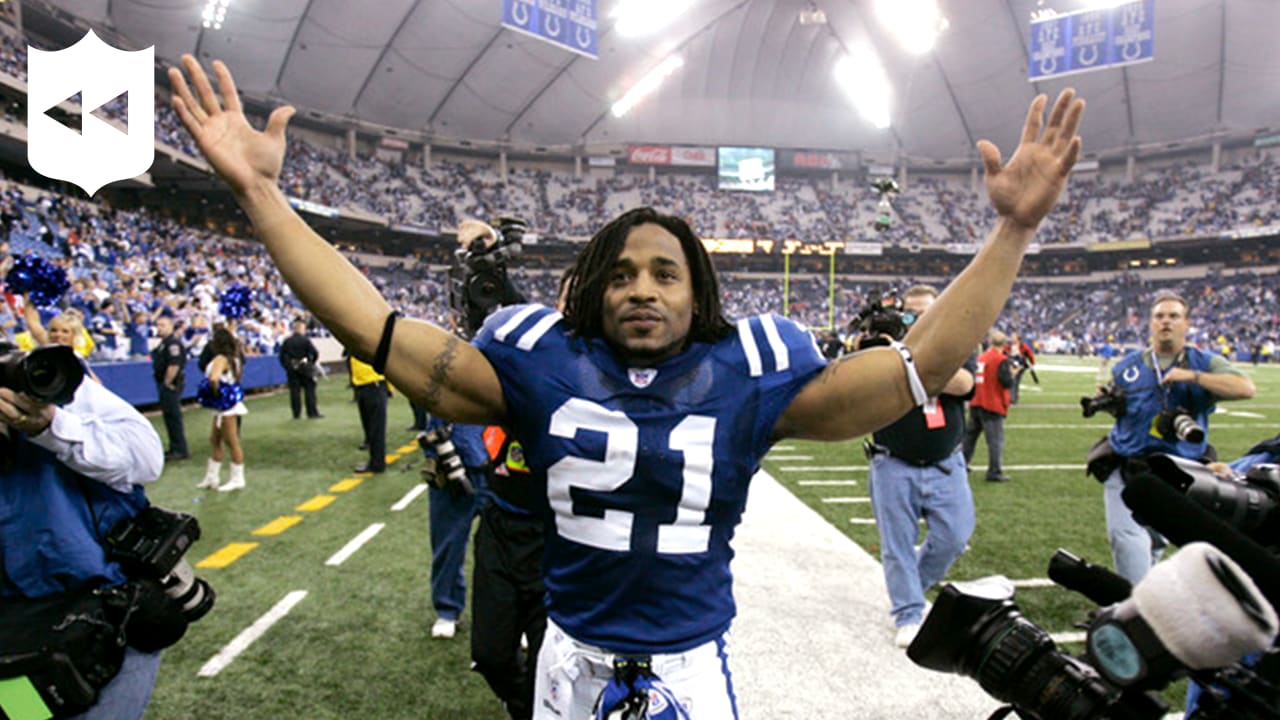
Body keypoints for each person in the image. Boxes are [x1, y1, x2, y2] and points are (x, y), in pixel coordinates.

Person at [170, 56, 1085, 718]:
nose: (642, 287)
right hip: (566, 658)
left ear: (699, 292)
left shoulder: (751, 371)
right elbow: (374, 327)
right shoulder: (535, 359)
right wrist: (261, 195)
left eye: (665, 272)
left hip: (687, 667)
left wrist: (1011, 232)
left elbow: (918, 366)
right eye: (621, 273)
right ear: (595, 289)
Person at [0, 340, 166, 720]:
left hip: (102, 615)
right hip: (12, 634)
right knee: (28, 714)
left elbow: (146, 457)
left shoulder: (47, 378)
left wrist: (50, 425)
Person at [1089, 291, 1255, 584]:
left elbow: (1245, 388)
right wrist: (1108, 402)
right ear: (1150, 323)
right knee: (1126, 537)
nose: (1166, 322)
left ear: (1186, 323)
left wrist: (1192, 377)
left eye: (1173, 316)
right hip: (1128, 464)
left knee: (1154, 540)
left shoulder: (1204, 362)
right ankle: (1137, 610)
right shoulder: (1126, 366)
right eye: (1159, 316)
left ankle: (1142, 598)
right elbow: (1125, 413)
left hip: (1177, 470)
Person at [861, 284, 976, 648]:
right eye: (912, 314)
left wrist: (915, 358)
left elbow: (964, 384)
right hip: (893, 460)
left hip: (946, 462)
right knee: (897, 544)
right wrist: (888, 349)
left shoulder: (958, 341)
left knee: (954, 537)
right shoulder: (884, 349)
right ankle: (909, 611)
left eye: (929, 313)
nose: (921, 321)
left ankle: (910, 587)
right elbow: (861, 381)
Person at [420, 418, 486, 639]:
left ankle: (521, 613)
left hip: (498, 458)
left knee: (512, 546)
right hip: (450, 457)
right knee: (448, 544)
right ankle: (447, 609)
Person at [197, 325, 248, 491]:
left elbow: (214, 378)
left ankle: (237, 478)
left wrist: (214, 393)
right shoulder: (235, 358)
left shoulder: (221, 359)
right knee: (215, 439)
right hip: (226, 405)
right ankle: (212, 477)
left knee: (231, 441)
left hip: (226, 407)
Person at [963, 330, 1015, 483]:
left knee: (969, 437)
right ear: (1004, 344)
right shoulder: (1000, 359)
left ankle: (962, 464)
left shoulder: (982, 357)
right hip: (991, 402)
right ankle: (994, 470)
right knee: (995, 441)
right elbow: (1006, 382)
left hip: (977, 400)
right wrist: (1013, 373)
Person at [150, 315, 189, 461]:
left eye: (163, 325)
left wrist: (167, 381)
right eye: (158, 325)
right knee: (169, 416)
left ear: (171, 327)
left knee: (173, 417)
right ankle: (175, 447)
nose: (160, 328)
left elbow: (174, 364)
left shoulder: (172, 343)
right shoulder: (164, 343)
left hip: (171, 384)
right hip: (164, 383)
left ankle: (179, 449)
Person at [348, 353, 388, 474]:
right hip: (363, 386)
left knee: (376, 428)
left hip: (373, 384)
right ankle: (375, 460)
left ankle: (378, 464)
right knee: (370, 427)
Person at [279, 318, 322, 419]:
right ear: (301, 329)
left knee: (295, 392)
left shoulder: (287, 341)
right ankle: (312, 412)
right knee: (310, 391)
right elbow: (315, 353)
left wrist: (287, 366)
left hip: (292, 368)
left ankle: (296, 413)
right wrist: (311, 362)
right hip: (305, 368)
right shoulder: (305, 340)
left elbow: (281, 356)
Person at [1008, 331, 1036, 404]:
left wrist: (1032, 363)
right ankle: (1014, 398)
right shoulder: (1009, 346)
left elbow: (1030, 355)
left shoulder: (1023, 346)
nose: (1011, 338)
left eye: (1013, 337)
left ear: (1017, 338)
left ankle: (1013, 398)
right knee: (1014, 382)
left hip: (1020, 367)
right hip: (1012, 366)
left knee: (1015, 381)